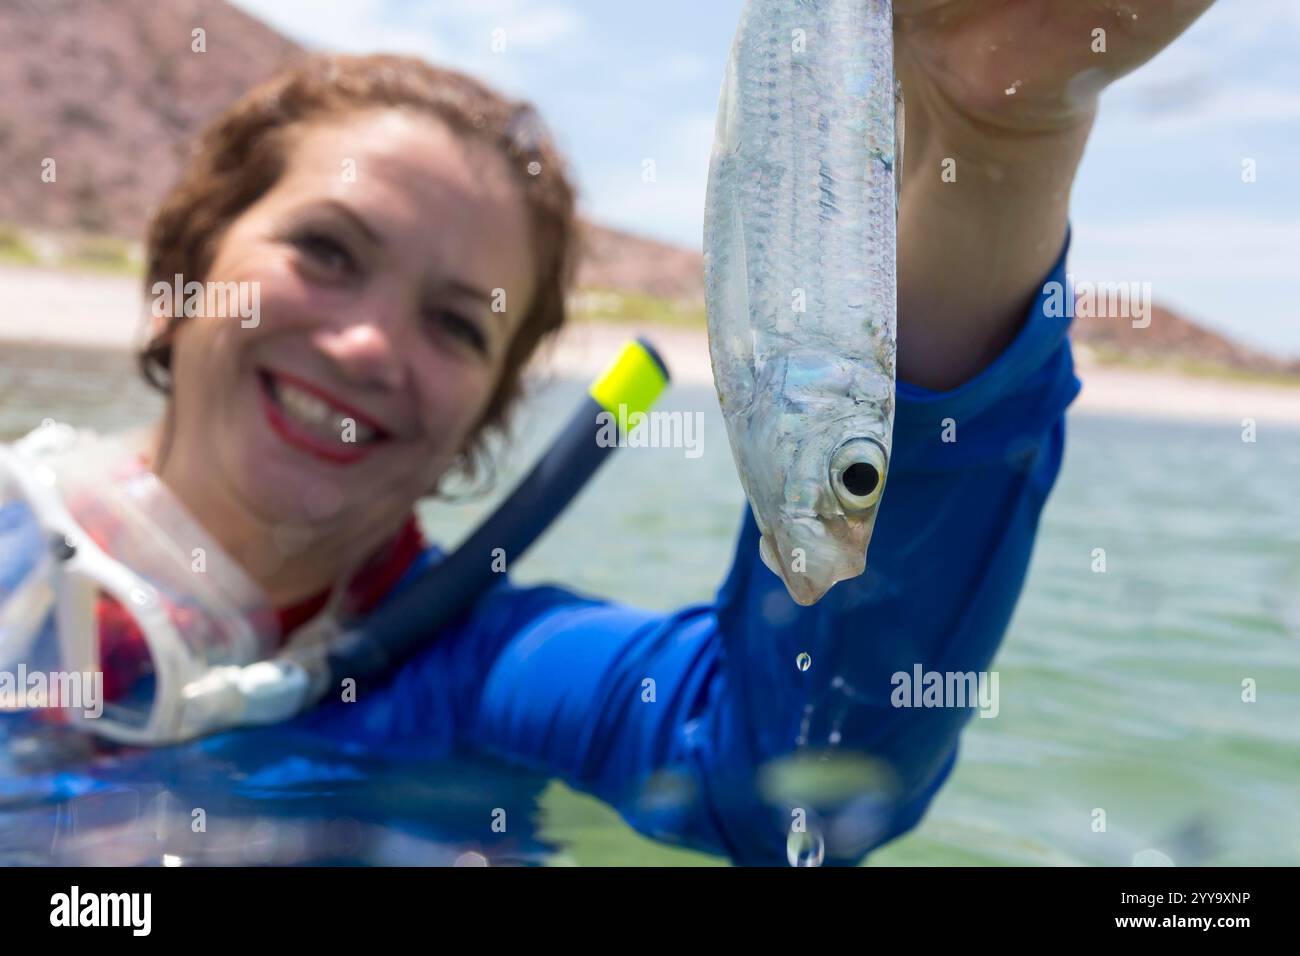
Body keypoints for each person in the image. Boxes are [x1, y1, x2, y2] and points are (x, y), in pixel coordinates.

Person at [0, 1, 1213, 865]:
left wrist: (998, 138)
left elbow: (793, 771)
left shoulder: (481, 674)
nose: (368, 346)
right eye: (326, 251)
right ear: (183, 265)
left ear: (487, 415)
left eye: (455, 325)